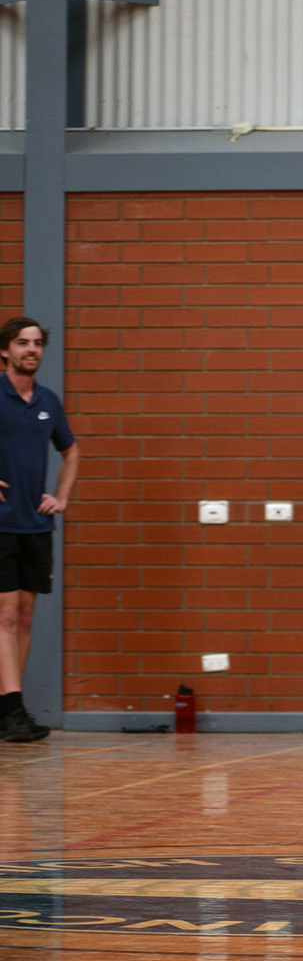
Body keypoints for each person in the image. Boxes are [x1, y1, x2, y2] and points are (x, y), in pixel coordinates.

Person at [0, 317, 80, 743]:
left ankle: (7, 708)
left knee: (25, 616)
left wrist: (60, 498)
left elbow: (71, 451)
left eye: (36, 344)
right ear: (5, 351)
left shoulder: (48, 400)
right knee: (6, 614)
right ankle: (13, 709)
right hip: (1, 523)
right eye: (22, 343)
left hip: (35, 523)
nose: (31, 349)